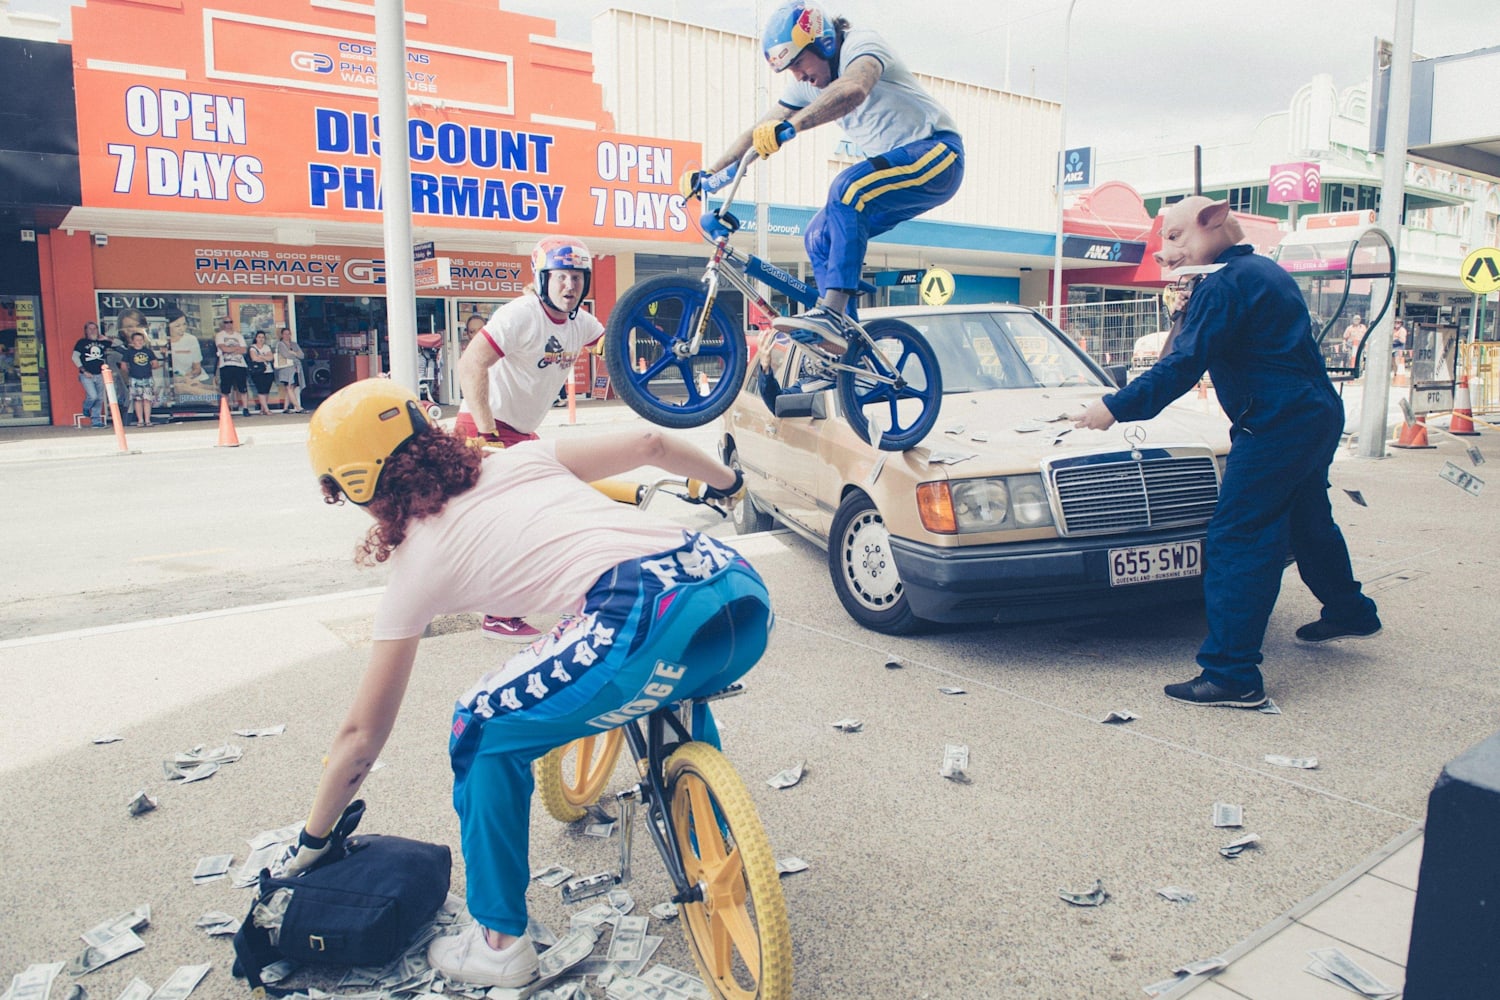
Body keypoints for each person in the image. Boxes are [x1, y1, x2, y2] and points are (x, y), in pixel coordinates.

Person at [276, 380, 765, 990]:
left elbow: (361, 736)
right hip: (735, 588)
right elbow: (649, 442)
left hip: (638, 618)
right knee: (667, 676)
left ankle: (499, 942)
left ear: (356, 486)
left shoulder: (417, 563)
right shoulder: (519, 458)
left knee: (479, 726)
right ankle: (715, 839)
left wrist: (312, 843)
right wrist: (730, 484)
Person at [1073, 196, 1380, 709]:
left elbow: (1183, 364)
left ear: (1214, 222)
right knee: (1307, 517)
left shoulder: (1225, 283)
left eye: (1174, 237)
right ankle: (1350, 611)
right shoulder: (1262, 271)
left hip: (1276, 424)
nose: (1165, 251)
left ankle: (1232, 673)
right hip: (1314, 414)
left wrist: (1114, 406)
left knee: (1239, 537)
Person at [690, 1, 964, 348]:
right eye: (790, 71)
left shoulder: (862, 46)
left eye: (799, 64)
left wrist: (793, 126)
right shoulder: (808, 86)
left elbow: (853, 89)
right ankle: (845, 348)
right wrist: (710, 172)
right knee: (819, 236)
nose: (800, 76)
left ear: (824, 43)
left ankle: (831, 314)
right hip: (899, 172)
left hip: (938, 155)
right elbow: (757, 131)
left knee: (848, 188)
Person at [455, 237, 604, 642]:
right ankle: (500, 614)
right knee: (519, 522)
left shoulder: (581, 322)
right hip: (485, 428)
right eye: (560, 277)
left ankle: (550, 602)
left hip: (521, 433)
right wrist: (486, 435)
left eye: (577, 278)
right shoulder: (520, 314)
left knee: (551, 512)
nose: (569, 286)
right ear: (542, 279)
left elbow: (610, 346)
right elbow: (470, 365)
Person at [71, 321, 109, 428]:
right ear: (86, 331)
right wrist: (84, 371)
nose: (93, 331)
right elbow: (74, 357)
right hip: (87, 375)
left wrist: (106, 339)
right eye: (90, 329)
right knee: (93, 396)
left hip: (100, 374)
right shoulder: (81, 342)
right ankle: (86, 407)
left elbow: (120, 345)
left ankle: (96, 421)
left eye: (95, 328)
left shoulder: (102, 342)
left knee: (100, 398)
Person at [124, 329, 163, 427]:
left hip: (147, 378)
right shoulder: (129, 352)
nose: (139, 341)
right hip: (134, 378)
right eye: (137, 340)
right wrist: (131, 372)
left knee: (147, 400)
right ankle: (140, 420)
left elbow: (155, 363)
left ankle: (147, 420)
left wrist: (149, 368)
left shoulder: (148, 351)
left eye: (141, 339)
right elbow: (123, 365)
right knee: (137, 400)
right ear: (132, 341)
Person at [215, 317, 251, 415]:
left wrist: (230, 348)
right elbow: (223, 348)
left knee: (242, 388)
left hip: (240, 365)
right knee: (225, 389)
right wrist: (236, 348)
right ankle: (225, 410)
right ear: (223, 324)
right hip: (226, 365)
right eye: (226, 322)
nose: (228, 324)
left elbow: (244, 350)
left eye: (230, 322)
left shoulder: (238, 335)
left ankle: (245, 408)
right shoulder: (220, 335)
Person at [165, 308, 207, 388]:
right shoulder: (162, 342)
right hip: (171, 383)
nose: (182, 328)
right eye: (177, 326)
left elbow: (197, 369)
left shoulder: (191, 339)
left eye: (184, 324)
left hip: (193, 380)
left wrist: (186, 377)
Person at [274, 327, 306, 413]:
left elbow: (302, 355)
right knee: (289, 387)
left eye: (288, 334)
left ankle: (285, 408)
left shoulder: (294, 344)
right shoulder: (280, 344)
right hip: (285, 369)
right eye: (285, 334)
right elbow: (286, 355)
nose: (287, 336)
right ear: (282, 335)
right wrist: (296, 355)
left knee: (292, 387)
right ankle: (298, 407)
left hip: (295, 368)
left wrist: (294, 353)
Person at [247, 331, 277, 416]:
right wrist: (265, 358)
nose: (261, 339)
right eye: (259, 337)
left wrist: (261, 356)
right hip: (258, 372)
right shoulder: (252, 347)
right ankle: (267, 410)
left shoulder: (266, 347)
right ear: (256, 338)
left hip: (268, 371)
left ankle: (262, 409)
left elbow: (271, 357)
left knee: (266, 391)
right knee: (261, 390)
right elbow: (254, 358)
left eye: (262, 337)